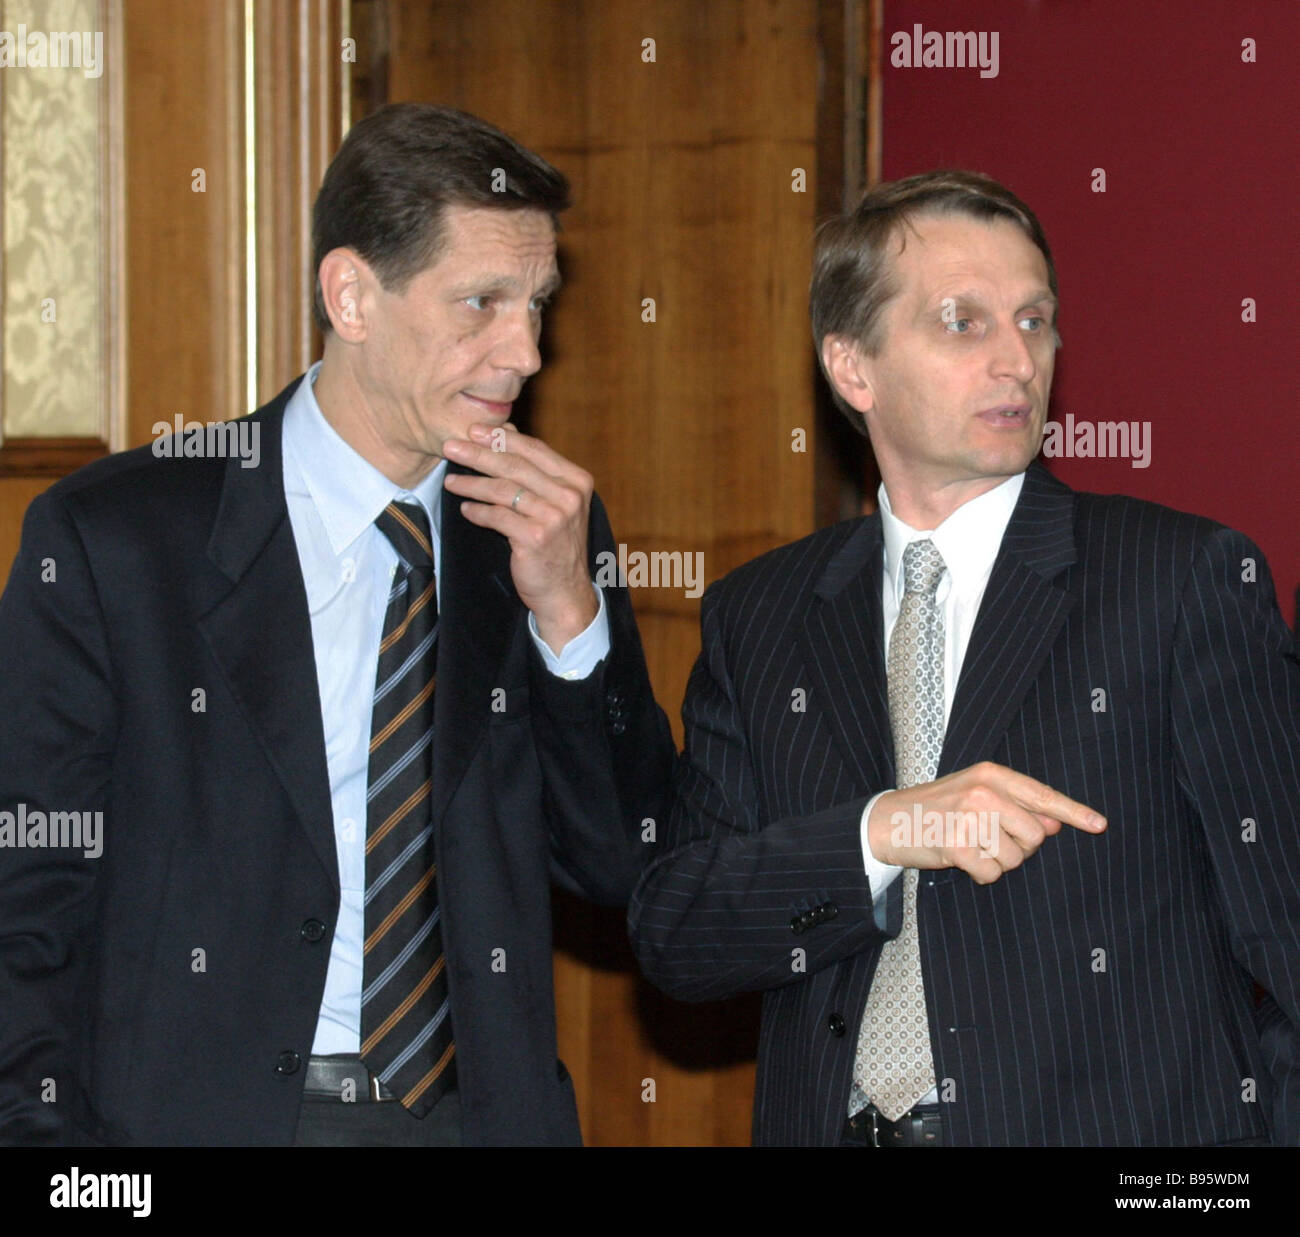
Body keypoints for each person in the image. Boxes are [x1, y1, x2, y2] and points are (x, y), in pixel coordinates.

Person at [0, 103, 673, 1147]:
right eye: (481, 303)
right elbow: (24, 904)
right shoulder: (119, 540)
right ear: (352, 295)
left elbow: (627, 866)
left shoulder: (541, 537)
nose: (526, 352)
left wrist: (569, 619)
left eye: (537, 304)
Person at [629, 169, 1300, 1147]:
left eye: (1034, 320)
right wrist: (876, 834)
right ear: (852, 368)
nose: (1015, 360)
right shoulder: (761, 612)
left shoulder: (1177, 578)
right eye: (962, 322)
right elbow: (679, 933)